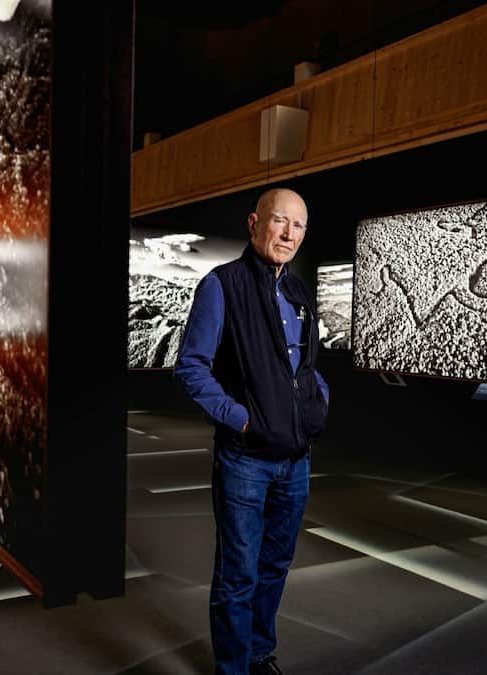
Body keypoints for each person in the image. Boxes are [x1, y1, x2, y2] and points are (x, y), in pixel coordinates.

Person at [175, 187, 330, 675]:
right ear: (254, 222)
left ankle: (260, 655)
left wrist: (316, 404)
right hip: (245, 460)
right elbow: (192, 367)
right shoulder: (221, 286)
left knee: (274, 568)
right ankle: (233, 669)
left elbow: (308, 367)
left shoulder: (300, 293)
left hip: (296, 460)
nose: (289, 233)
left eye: (299, 225)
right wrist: (239, 417)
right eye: (280, 221)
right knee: (238, 576)